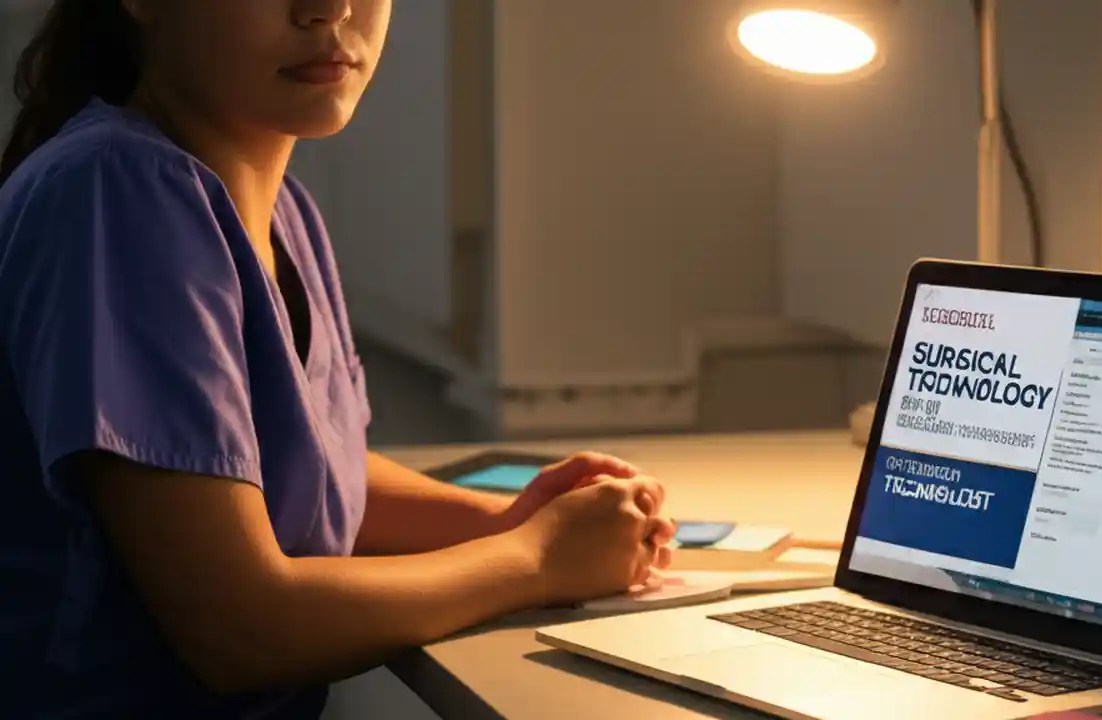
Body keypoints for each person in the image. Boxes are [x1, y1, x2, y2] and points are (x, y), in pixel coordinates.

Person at [0, 1, 675, 717]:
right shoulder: (116, 193)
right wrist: (535, 558)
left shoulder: (282, 208)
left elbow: (297, 471)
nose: (331, 8)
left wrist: (516, 519)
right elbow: (239, 627)